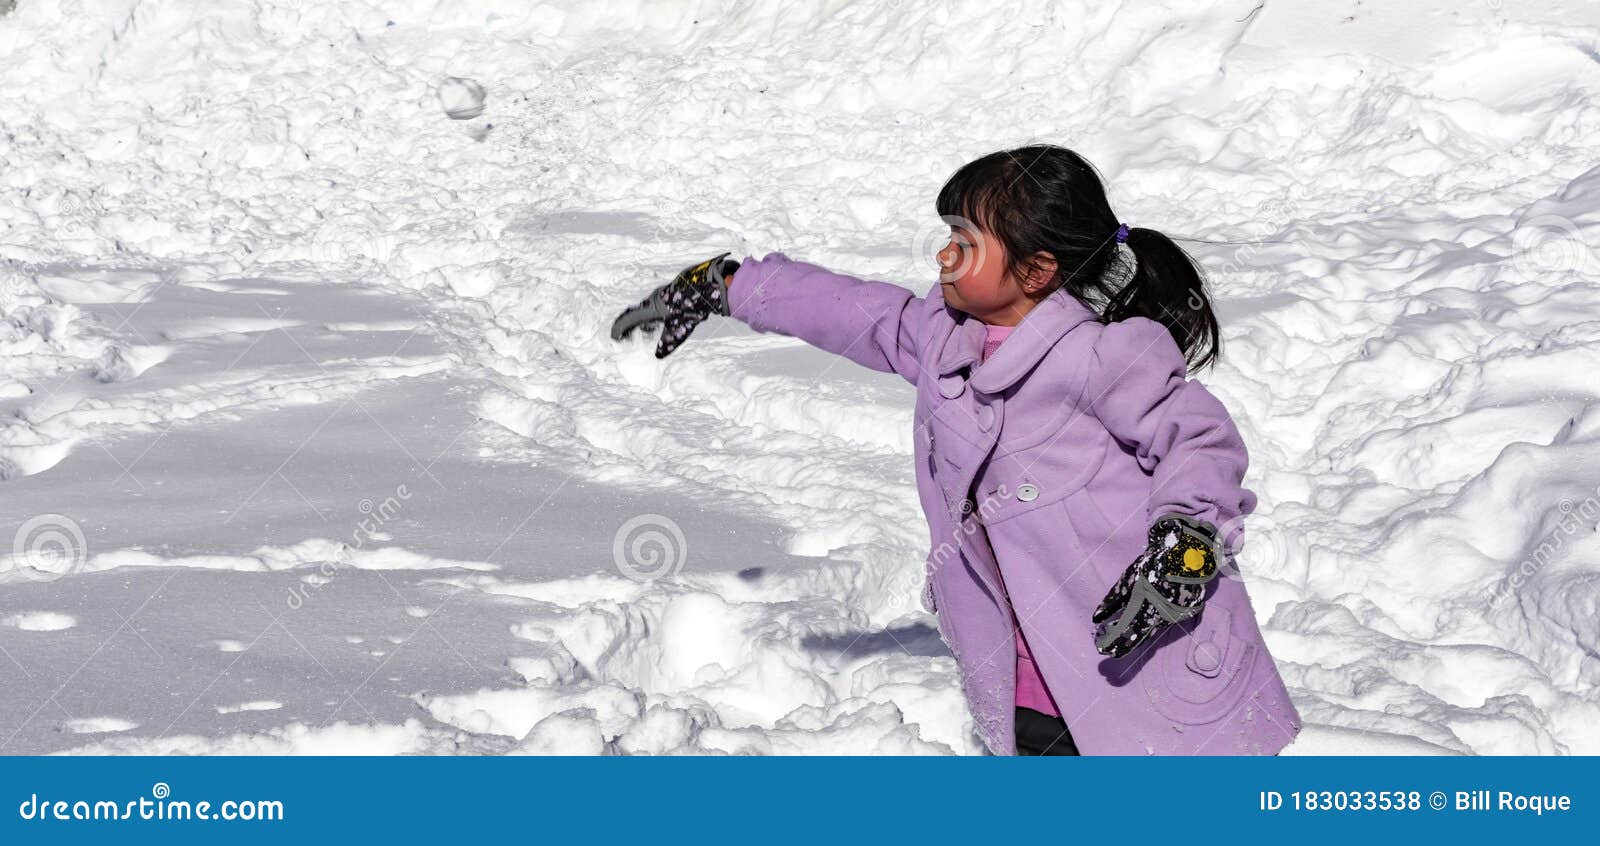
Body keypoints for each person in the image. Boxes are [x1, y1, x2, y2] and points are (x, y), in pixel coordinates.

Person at [610, 145, 1302, 756]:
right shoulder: (944, 341)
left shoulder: (1106, 355)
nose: (944, 254)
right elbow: (855, 310)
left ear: (1036, 270)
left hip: (1144, 656)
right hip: (1025, 685)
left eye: (966, 242)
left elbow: (1200, 440)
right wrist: (730, 286)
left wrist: (1186, 542)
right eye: (949, 235)